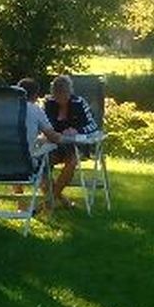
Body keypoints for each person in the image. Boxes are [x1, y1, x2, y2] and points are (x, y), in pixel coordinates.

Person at [43, 74, 98, 207]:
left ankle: (50, 201)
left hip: (76, 145)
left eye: (63, 95)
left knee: (72, 162)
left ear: (69, 92)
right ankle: (60, 199)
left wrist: (77, 130)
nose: (60, 99)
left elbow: (93, 126)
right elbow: (43, 125)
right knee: (40, 165)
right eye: (57, 95)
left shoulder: (79, 103)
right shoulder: (49, 104)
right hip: (54, 145)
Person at [16, 78, 61, 208]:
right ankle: (50, 201)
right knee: (44, 160)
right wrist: (65, 137)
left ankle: (21, 204)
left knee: (15, 152)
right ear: (35, 96)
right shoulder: (35, 110)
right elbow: (53, 137)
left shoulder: (3, 109)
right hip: (25, 163)